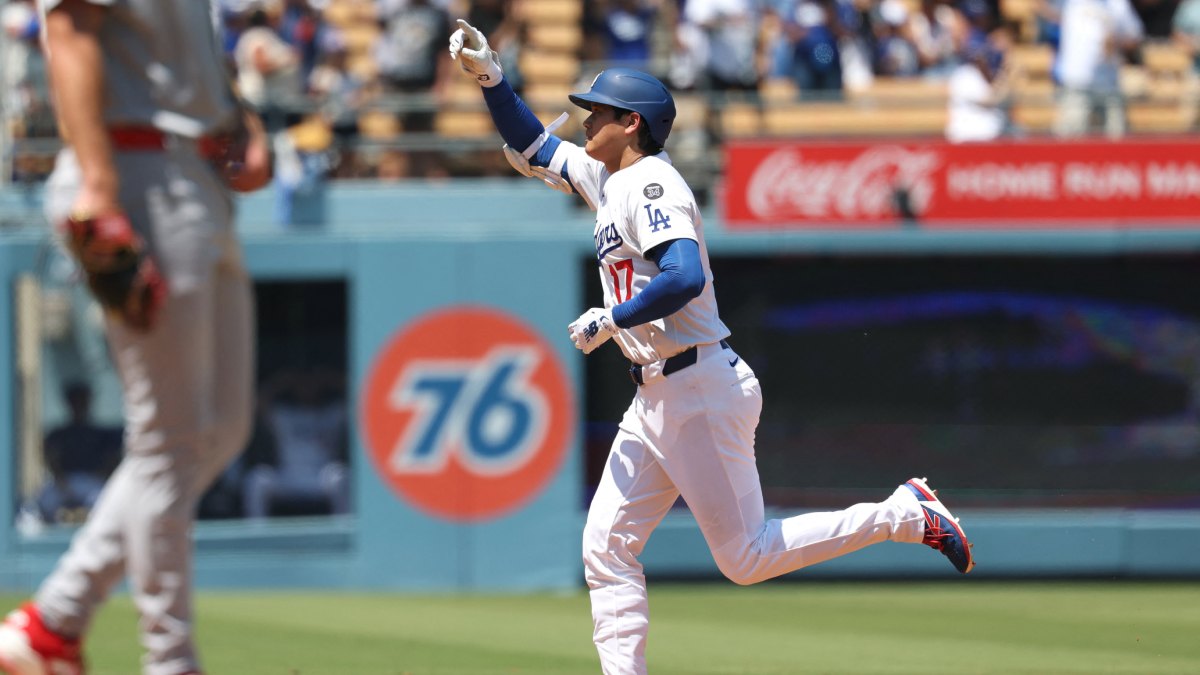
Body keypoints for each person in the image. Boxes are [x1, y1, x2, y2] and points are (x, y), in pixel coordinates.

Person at [448, 20, 975, 675]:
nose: (584, 121)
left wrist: (612, 317)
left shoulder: (653, 186)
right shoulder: (608, 178)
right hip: (658, 395)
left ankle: (903, 513)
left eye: (597, 112)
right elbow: (533, 146)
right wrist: (491, 80)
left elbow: (685, 275)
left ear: (632, 123)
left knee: (745, 557)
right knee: (605, 545)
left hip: (698, 387)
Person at [0, 0, 271, 673]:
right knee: (169, 443)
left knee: (220, 429)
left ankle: (53, 622)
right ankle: (169, 660)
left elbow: (182, 60)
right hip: (135, 166)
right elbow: (68, 27)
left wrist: (240, 115)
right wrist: (98, 182)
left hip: (198, 172)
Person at [241, 366, 350, 520]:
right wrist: (282, 382)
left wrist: (328, 379)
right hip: (288, 476)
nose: (307, 387)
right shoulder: (284, 415)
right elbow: (257, 403)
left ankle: (343, 529)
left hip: (320, 477)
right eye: (303, 384)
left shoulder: (331, 414)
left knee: (342, 475)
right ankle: (256, 533)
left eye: (311, 383)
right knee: (257, 479)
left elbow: (359, 397)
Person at [36, 381, 122, 524]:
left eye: (83, 401)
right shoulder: (59, 433)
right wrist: (60, 478)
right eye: (75, 401)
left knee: (105, 502)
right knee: (46, 501)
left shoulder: (100, 434)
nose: (79, 405)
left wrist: (102, 475)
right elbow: (49, 456)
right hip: (64, 481)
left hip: (92, 481)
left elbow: (113, 458)